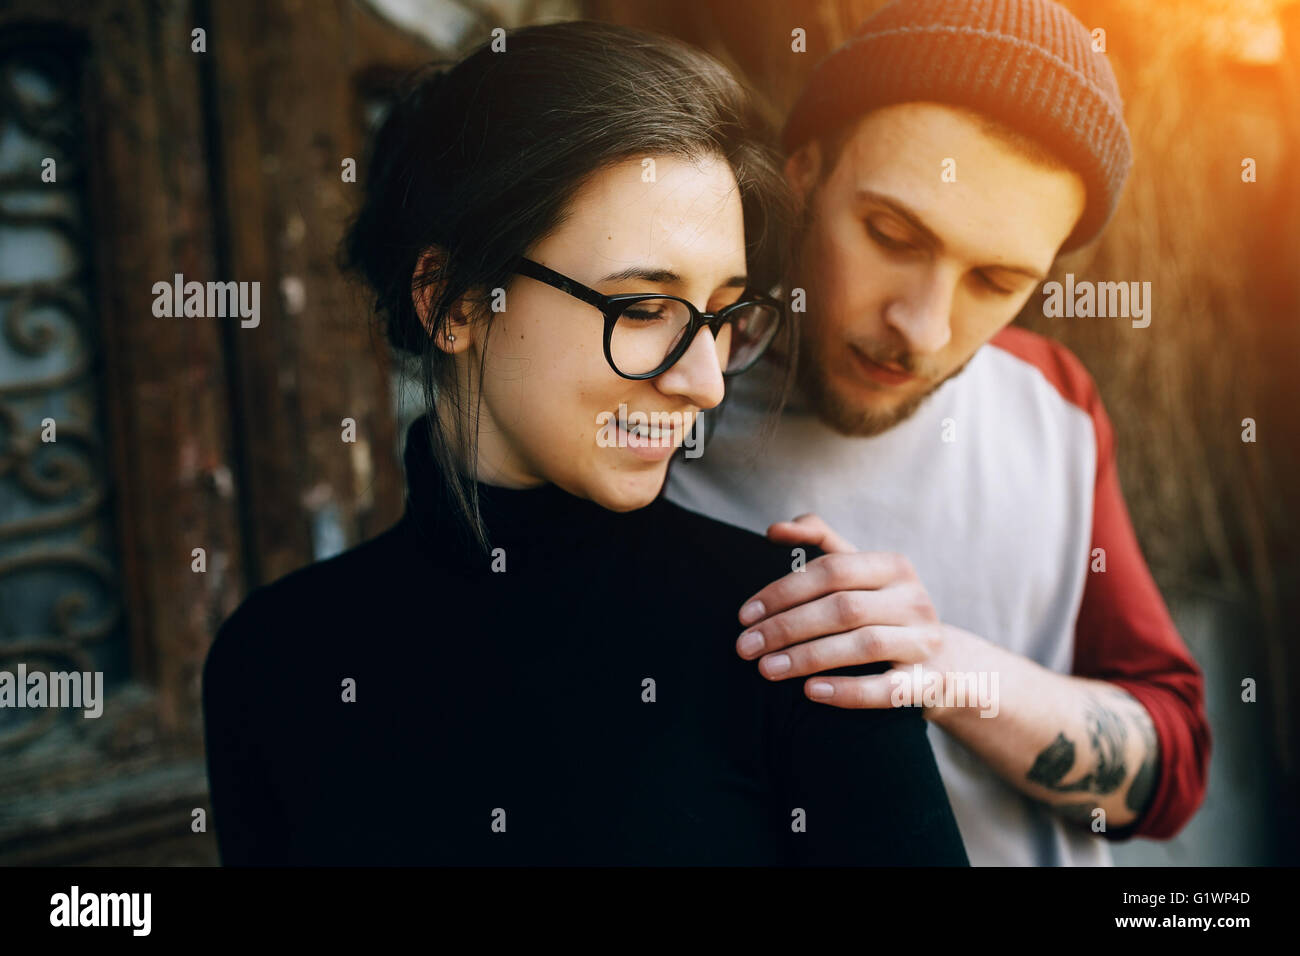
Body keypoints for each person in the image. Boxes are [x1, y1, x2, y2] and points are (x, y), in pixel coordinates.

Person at [201, 20, 969, 866]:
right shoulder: (271, 661)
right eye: (643, 308)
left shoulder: (801, 638)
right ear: (454, 301)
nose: (706, 382)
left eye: (723, 314)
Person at [666, 0, 1211, 866]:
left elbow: (1171, 769)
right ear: (803, 174)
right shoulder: (665, 393)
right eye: (891, 235)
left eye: (996, 281)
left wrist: (946, 670)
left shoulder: (1054, 403)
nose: (921, 329)